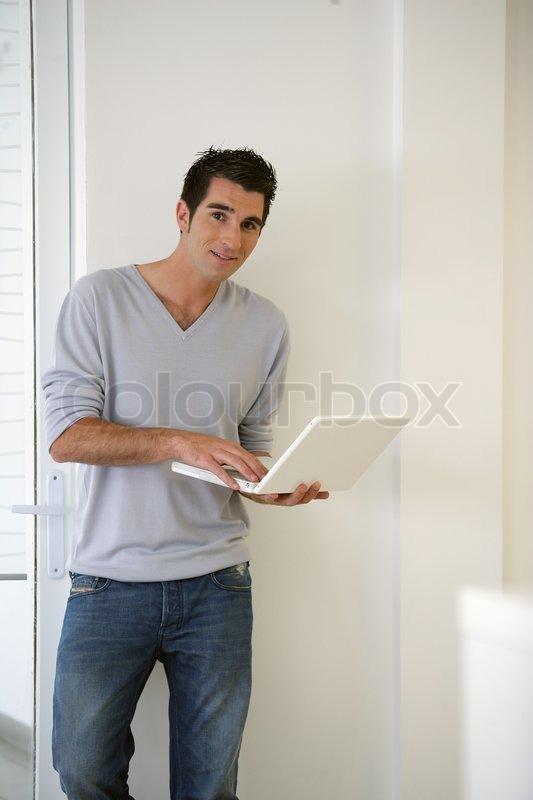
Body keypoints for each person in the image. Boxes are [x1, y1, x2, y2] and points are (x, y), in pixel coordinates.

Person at [42, 146, 329, 800]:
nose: (233, 238)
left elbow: (248, 448)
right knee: (81, 769)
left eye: (250, 224)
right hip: (108, 581)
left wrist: (270, 487)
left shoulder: (266, 325)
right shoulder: (99, 299)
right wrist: (181, 442)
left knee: (210, 786)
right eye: (218, 215)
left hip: (217, 585)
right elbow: (66, 437)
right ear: (182, 213)